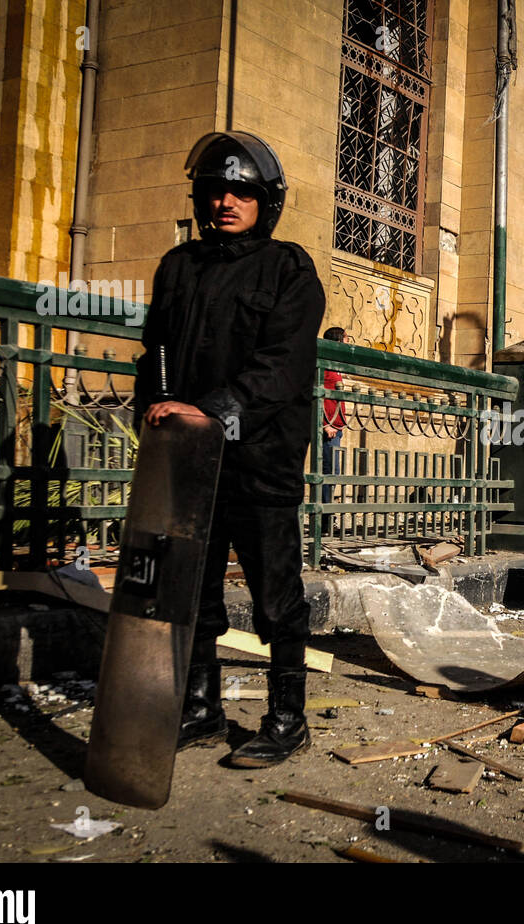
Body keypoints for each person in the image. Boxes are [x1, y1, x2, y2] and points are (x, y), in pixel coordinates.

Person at [134, 130, 324, 768]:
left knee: (276, 596)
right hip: (189, 461)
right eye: (215, 189)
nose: (225, 201)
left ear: (264, 201)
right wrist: (156, 409)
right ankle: (201, 708)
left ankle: (287, 718)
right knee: (192, 589)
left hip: (259, 460)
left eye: (241, 191)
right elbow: (155, 350)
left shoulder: (288, 267)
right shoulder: (177, 266)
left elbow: (284, 364)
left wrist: (216, 410)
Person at [320, 326, 351, 518]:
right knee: (329, 471)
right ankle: (325, 517)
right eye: (347, 338)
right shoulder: (325, 364)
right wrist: (324, 423)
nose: (349, 342)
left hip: (336, 425)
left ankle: (327, 516)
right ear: (339, 340)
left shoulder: (335, 364)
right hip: (329, 426)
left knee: (334, 472)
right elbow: (317, 392)